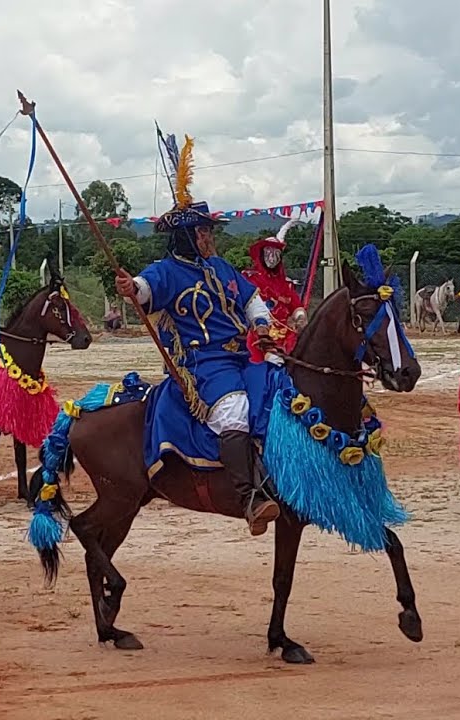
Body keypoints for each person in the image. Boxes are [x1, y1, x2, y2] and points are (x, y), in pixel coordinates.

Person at [115, 137, 280, 536]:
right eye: (206, 232)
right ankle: (250, 496)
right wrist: (130, 288)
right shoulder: (166, 271)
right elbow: (144, 289)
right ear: (190, 236)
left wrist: (261, 325)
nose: (212, 237)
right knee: (235, 410)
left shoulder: (219, 266)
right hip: (201, 363)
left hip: (242, 355)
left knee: (282, 386)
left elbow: (252, 297)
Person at [241, 222, 306, 361]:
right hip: (259, 333)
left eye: (276, 253)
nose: (272, 257)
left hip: (287, 334)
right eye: (269, 253)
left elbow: (296, 305)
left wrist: (300, 318)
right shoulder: (249, 280)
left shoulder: (286, 283)